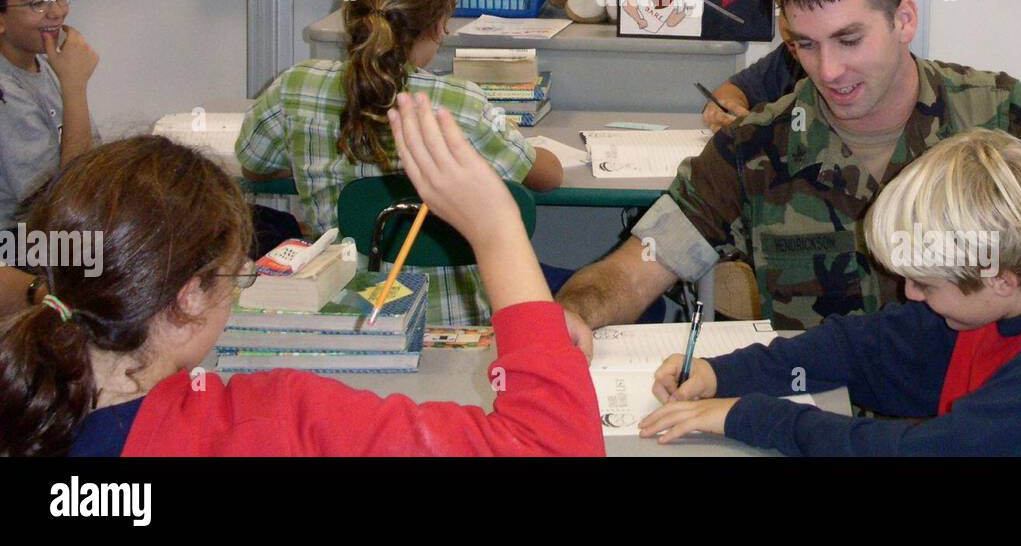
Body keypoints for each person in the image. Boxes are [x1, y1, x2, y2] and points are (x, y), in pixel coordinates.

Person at [558, 0, 1021, 400]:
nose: (829, 71)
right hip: (816, 418)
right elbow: (630, 273)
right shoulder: (754, 149)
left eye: (849, 40)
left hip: (980, 420)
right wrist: (572, 315)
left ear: (904, 19)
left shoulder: (1003, 115)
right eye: (804, 45)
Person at [0, 95, 603, 457]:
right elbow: (554, 445)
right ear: (188, 300)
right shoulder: (270, 424)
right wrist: (497, 230)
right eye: (236, 278)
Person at [638, 129, 1021, 456]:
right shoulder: (1000, 296)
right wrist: (722, 373)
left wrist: (751, 416)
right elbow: (861, 347)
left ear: (1001, 280)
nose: (909, 294)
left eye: (925, 284)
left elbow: (929, 453)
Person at [237, 0, 562, 325]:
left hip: (342, 313)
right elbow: (547, 177)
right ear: (441, 24)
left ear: (349, 13)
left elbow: (254, 168)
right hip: (454, 322)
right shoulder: (460, 105)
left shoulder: (297, 85)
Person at [0, 0, 99, 235]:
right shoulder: (6, 94)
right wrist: (74, 88)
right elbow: (61, 207)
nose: (57, 11)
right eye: (37, 3)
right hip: (19, 251)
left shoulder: (40, 63)